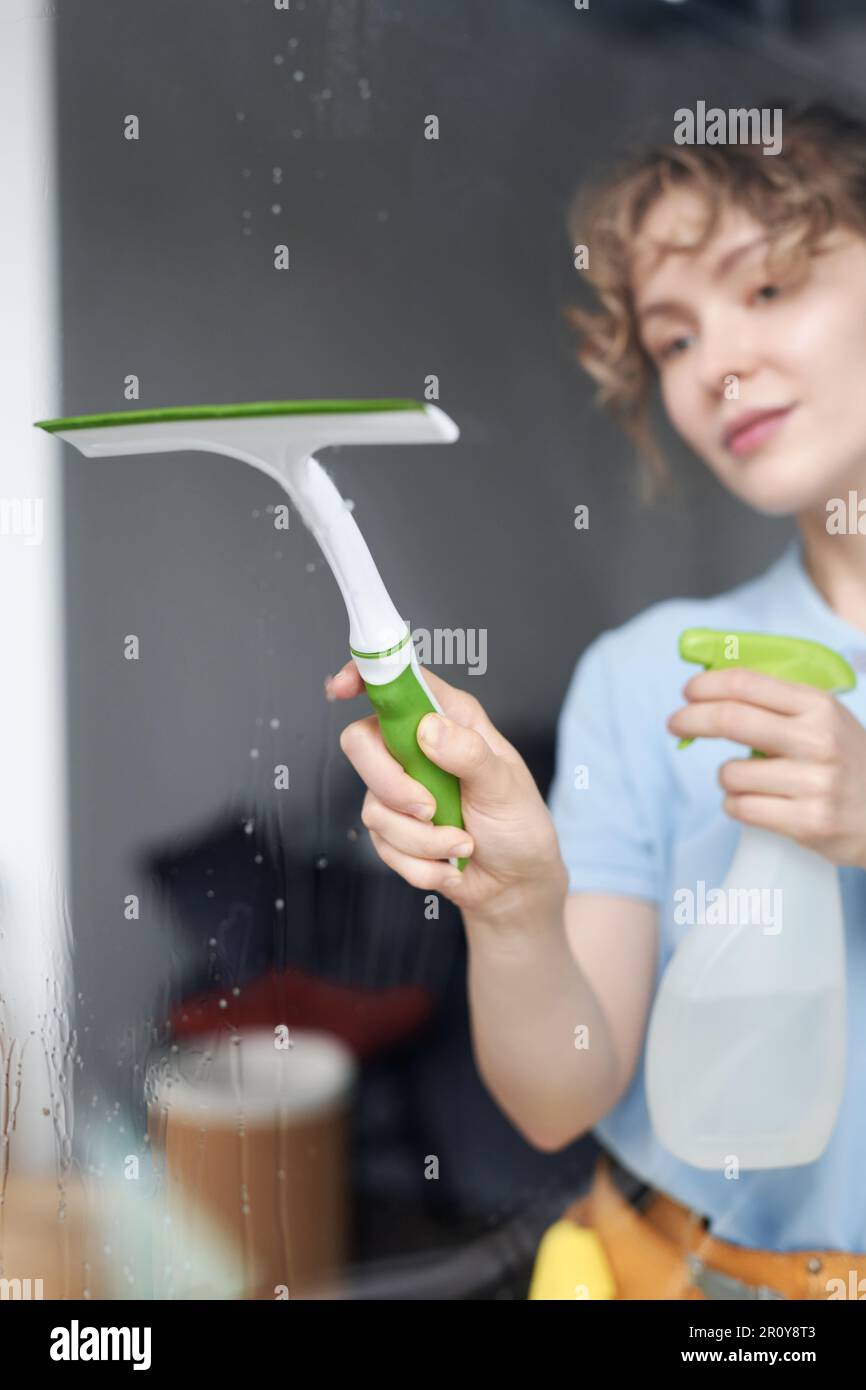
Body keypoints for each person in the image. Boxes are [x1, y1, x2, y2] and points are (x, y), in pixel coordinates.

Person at [323, 99, 866, 1299]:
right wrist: (515, 905)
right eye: (671, 339)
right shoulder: (642, 674)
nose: (715, 362)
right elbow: (557, 1094)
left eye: (766, 287)